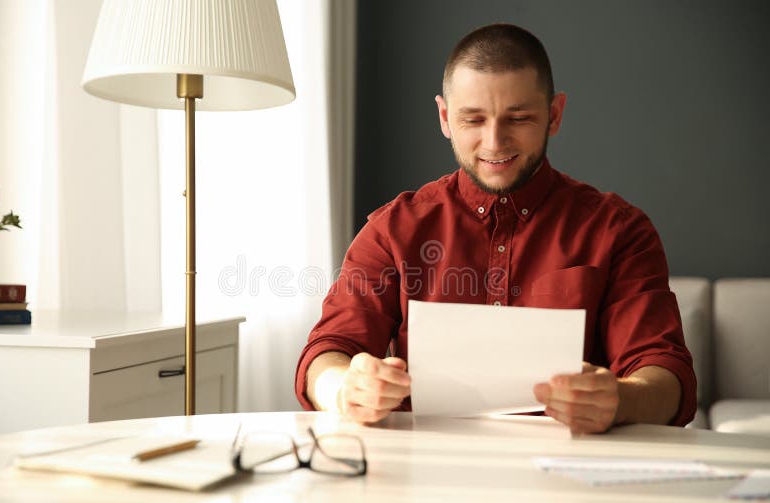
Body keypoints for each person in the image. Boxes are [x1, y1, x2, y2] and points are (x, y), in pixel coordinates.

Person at [294, 23, 696, 433]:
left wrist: (622, 399)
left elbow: (667, 377)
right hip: (420, 475)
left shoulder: (620, 230)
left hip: (570, 474)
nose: (494, 141)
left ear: (554, 115)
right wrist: (344, 388)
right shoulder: (392, 229)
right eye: (473, 120)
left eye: (518, 117)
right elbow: (327, 352)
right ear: (445, 118)